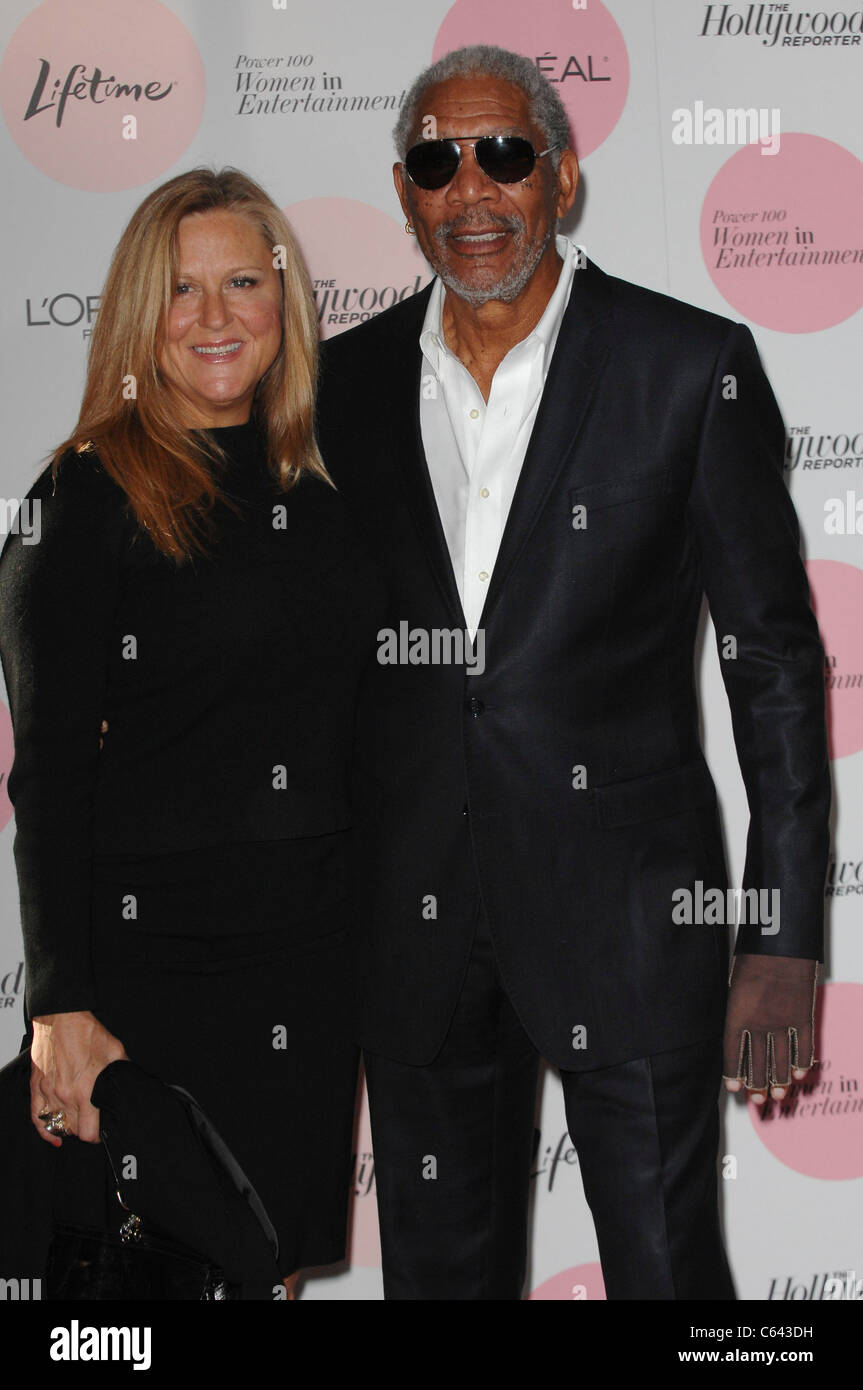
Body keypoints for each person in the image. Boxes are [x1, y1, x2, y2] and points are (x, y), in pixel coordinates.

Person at [315, 45, 831, 1300]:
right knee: (439, 1280)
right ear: (402, 192)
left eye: (505, 154)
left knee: (662, 1272)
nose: (473, 191)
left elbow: (770, 663)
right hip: (415, 919)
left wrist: (780, 934)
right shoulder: (342, 384)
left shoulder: (682, 365)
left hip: (631, 915)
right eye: (438, 162)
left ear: (563, 176)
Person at [0, 167, 383, 1297]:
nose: (215, 316)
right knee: (147, 1287)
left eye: (242, 283)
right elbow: (51, 773)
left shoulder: (319, 497)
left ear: (285, 303)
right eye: (179, 290)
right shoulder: (83, 498)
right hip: (151, 976)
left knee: (261, 1273)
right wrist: (60, 1006)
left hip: (306, 970)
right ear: (136, 317)